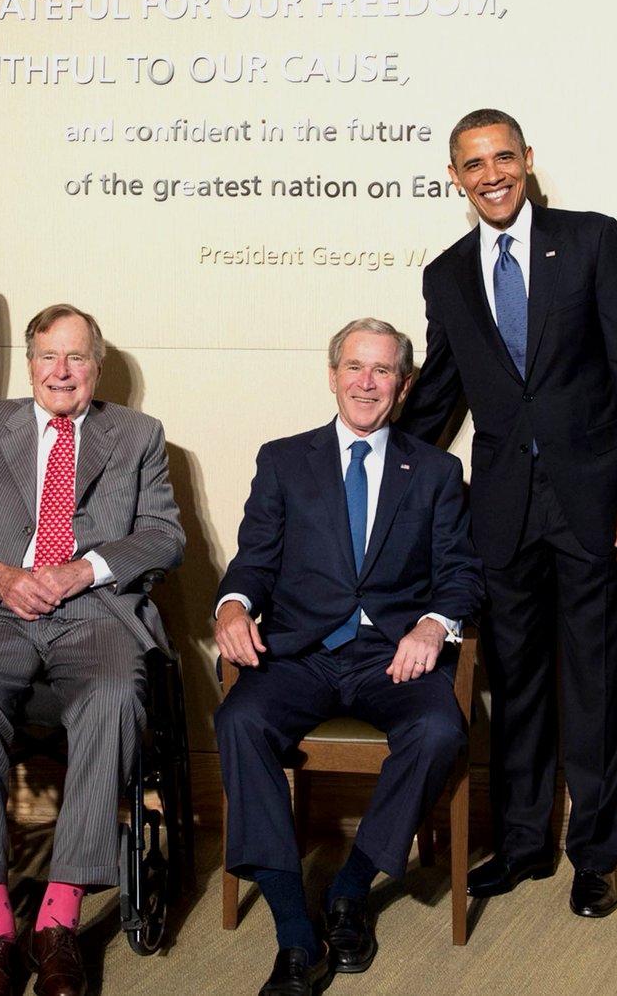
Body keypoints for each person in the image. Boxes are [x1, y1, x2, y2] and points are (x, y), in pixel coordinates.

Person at [398, 108, 617, 918]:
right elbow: (440, 393)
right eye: (474, 164)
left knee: (596, 686)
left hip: (596, 502)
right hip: (502, 513)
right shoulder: (447, 275)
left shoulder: (591, 240)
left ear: (526, 159)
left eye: (503, 158)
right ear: (455, 177)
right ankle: (522, 846)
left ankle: (595, 856)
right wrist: (371, 457)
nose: (492, 175)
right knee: (515, 685)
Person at [0, 304, 185, 996]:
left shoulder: (139, 435)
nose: (61, 371)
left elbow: (163, 536)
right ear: (29, 363)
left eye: (77, 357)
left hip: (94, 611)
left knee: (115, 697)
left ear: (97, 365)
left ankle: (58, 919)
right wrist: (0, 575)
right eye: (47, 356)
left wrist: (82, 571)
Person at [216, 318, 483, 995]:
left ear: (404, 384)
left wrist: (434, 626)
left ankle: (350, 886)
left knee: (440, 730)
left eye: (383, 370)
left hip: (391, 657)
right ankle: (295, 933)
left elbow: (461, 574)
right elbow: (254, 562)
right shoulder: (284, 460)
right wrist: (233, 606)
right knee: (240, 721)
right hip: (301, 654)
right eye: (355, 368)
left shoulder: (435, 471)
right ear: (332, 375)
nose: (367, 383)